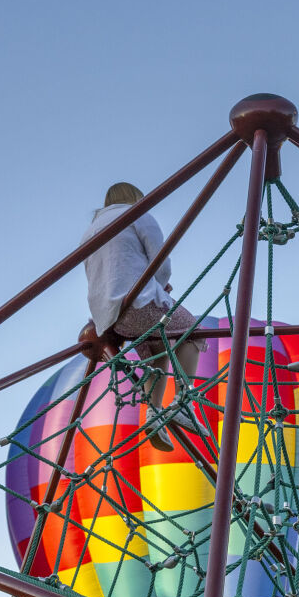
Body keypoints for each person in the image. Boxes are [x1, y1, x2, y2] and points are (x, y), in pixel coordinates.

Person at [84, 181, 206, 453]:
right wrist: (160, 286)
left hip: (111, 317)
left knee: (157, 348)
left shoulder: (90, 231)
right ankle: (183, 402)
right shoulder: (137, 214)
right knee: (193, 332)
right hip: (139, 301)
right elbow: (161, 260)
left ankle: (153, 413)